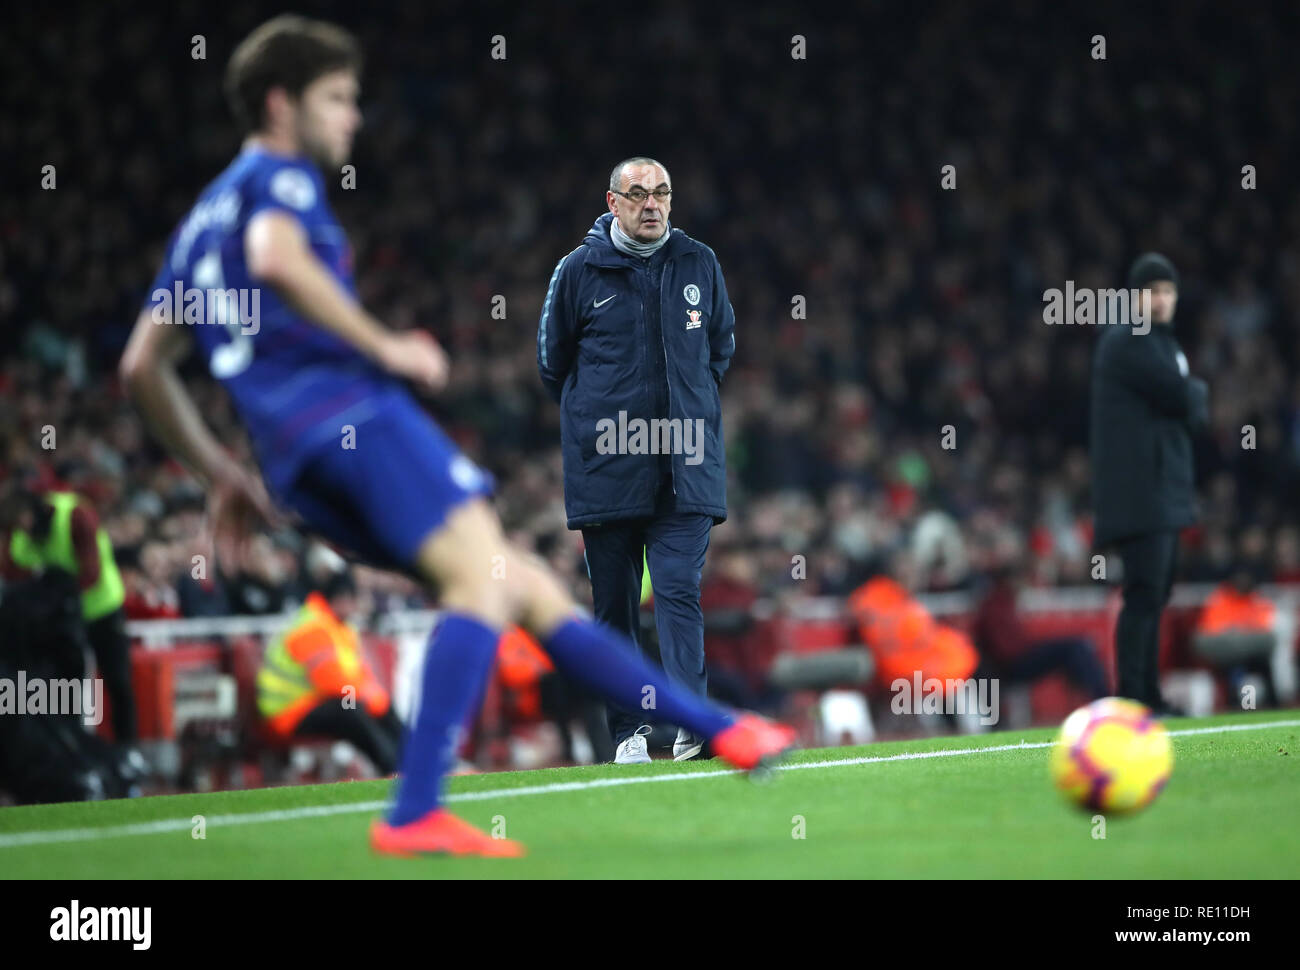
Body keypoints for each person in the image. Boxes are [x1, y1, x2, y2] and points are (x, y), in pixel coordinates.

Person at [119, 15, 795, 859]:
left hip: (291, 463)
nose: (352, 118)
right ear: (279, 102)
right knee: (489, 579)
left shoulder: (199, 221)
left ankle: (719, 732)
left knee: (524, 584)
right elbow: (278, 256)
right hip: (353, 420)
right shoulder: (278, 182)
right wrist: (384, 345)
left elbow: (142, 366)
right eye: (337, 99)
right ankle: (415, 809)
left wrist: (219, 471)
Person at [538, 158, 735, 763]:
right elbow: (553, 362)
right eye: (639, 193)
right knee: (614, 607)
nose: (653, 204)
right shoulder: (578, 271)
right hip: (609, 472)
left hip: (683, 469)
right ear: (613, 201)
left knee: (678, 591)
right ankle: (626, 733)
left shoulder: (699, 263)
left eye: (663, 193)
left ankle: (689, 727)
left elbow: (720, 350)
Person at [1090, 253, 1209, 716]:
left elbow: (1190, 411)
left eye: (1167, 291)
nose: (1160, 301)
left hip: (1163, 491)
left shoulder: (1162, 344)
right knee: (1143, 594)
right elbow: (1183, 397)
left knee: (1154, 595)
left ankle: (1147, 692)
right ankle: (1133, 696)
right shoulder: (1128, 338)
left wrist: (1189, 397)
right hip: (1141, 495)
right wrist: (1195, 391)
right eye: (1151, 291)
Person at [0, 484, 149, 785]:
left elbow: (91, 572)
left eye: (23, 523)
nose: (22, 531)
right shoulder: (20, 536)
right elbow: (13, 571)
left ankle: (128, 753)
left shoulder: (75, 515)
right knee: (67, 689)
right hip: (62, 624)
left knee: (118, 680)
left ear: (34, 510)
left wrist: (55, 594)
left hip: (101, 610)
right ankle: (70, 758)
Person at [258, 572, 402, 774]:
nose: (357, 607)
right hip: (288, 711)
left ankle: (411, 762)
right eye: (354, 599)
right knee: (350, 711)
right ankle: (391, 767)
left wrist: (375, 697)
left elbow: (355, 674)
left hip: (313, 702)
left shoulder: (341, 627)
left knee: (379, 706)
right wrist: (367, 696)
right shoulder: (311, 627)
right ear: (341, 599)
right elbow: (331, 681)